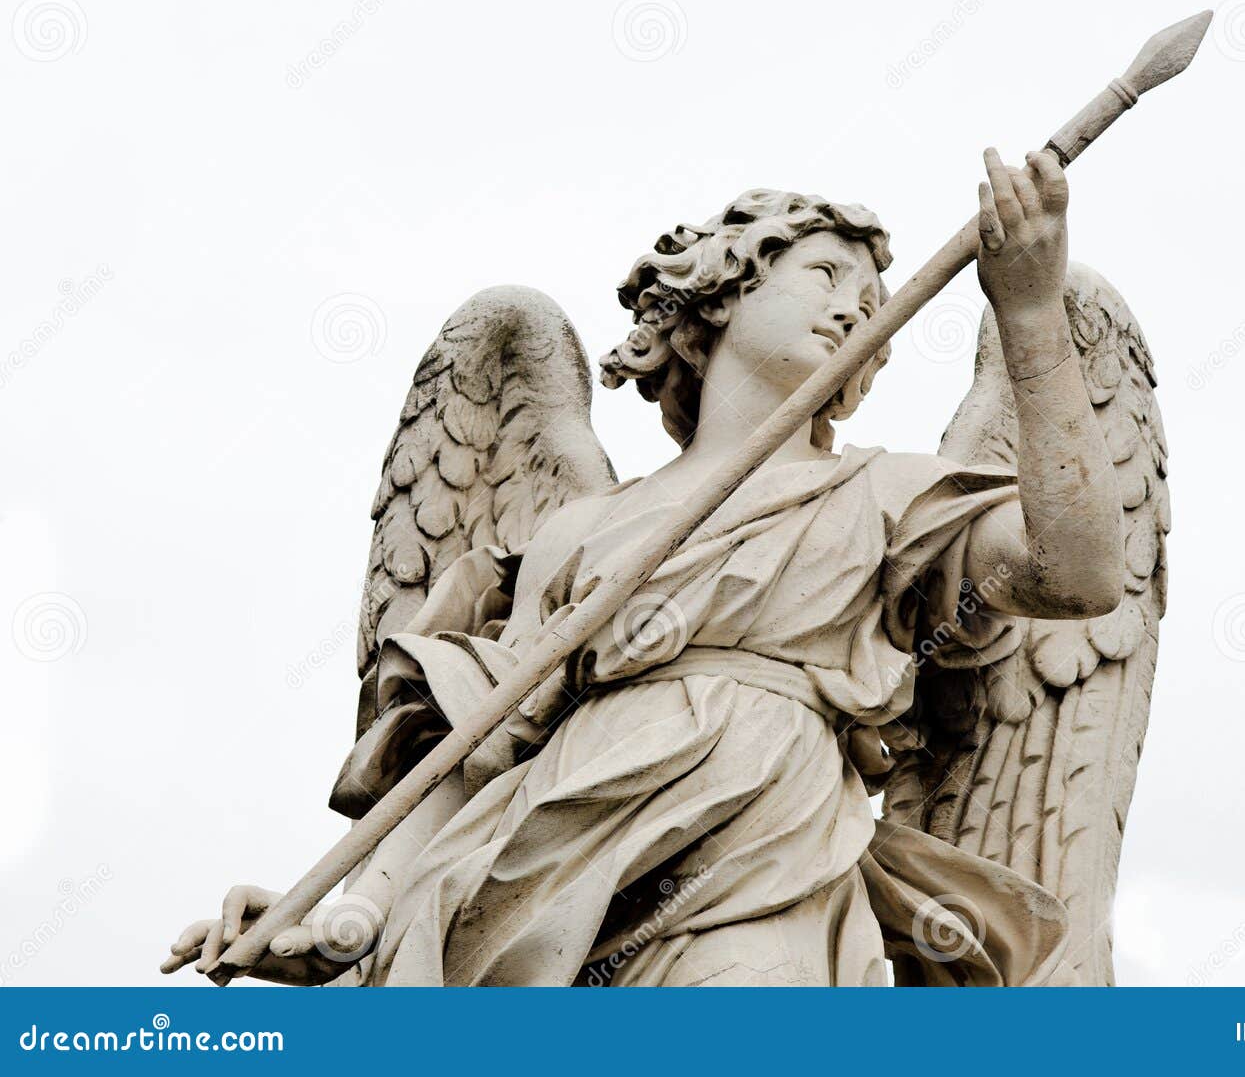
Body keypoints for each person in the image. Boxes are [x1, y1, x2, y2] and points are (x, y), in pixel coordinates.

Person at [163, 148, 1125, 986]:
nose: (854, 307)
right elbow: (474, 751)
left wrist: (1033, 313)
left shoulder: (889, 496)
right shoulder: (580, 527)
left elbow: (1078, 574)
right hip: (531, 874)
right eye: (825, 273)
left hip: (760, 862)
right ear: (721, 292)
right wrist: (345, 913)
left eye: (872, 301)